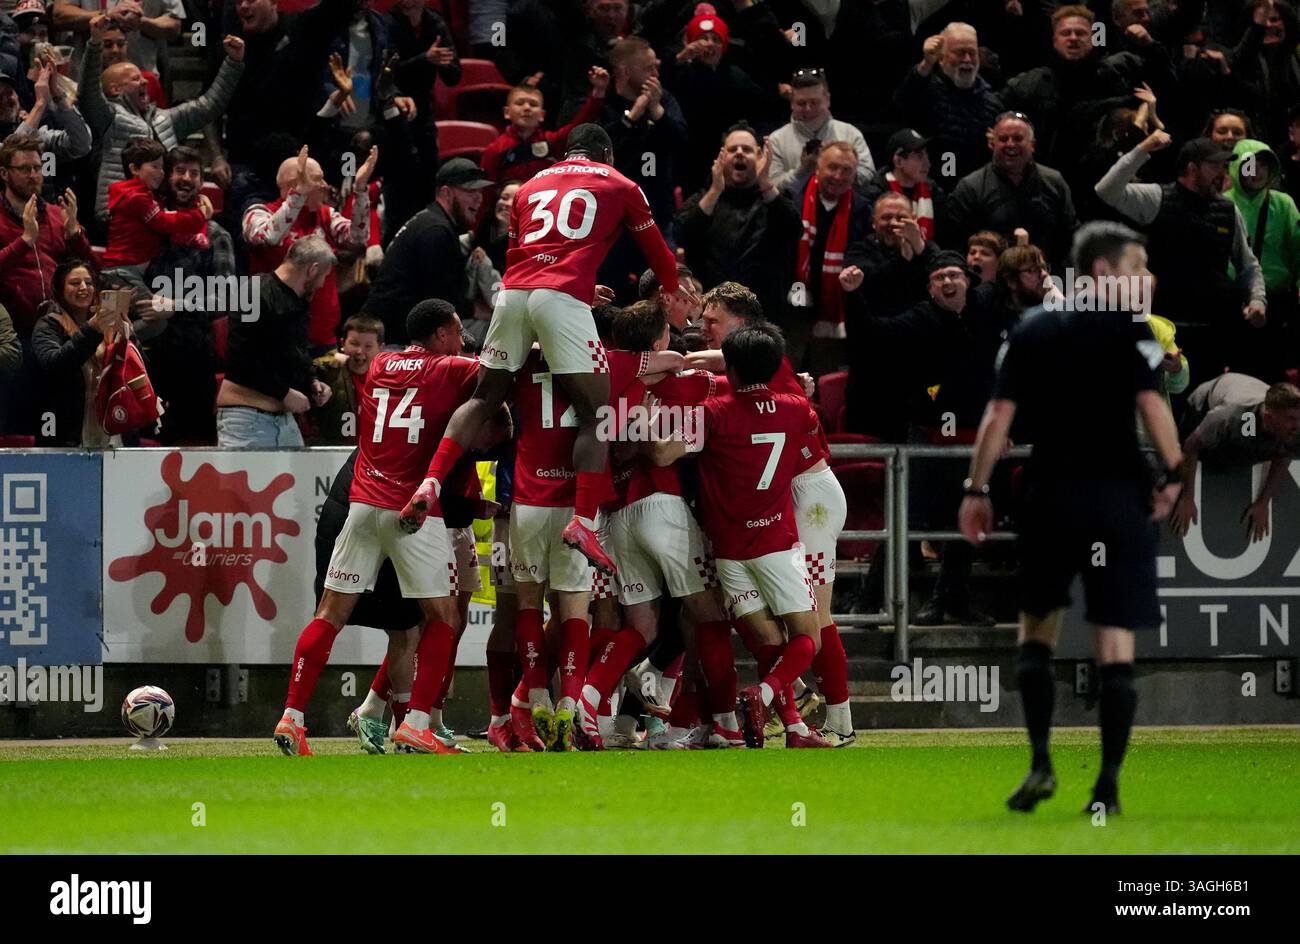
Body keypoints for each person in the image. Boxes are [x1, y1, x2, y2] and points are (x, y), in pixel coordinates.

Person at [959, 221, 1185, 815]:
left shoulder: (1033, 329)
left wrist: (976, 488)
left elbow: (997, 417)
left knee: (1036, 632)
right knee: (1115, 643)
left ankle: (1040, 765)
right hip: (1116, 501)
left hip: (1051, 499)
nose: (1145, 278)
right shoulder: (1133, 333)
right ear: (1105, 272)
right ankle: (1106, 791)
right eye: (1136, 266)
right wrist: (1178, 473)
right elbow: (1152, 406)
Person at [400, 124, 693, 579]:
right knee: (598, 414)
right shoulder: (619, 183)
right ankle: (582, 520)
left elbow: (521, 257)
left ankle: (431, 481)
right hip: (561, 300)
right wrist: (673, 294)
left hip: (514, 293)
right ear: (606, 154)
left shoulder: (529, 186)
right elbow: (660, 256)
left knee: (483, 398)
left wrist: (570, 287)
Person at [273, 298, 485, 757]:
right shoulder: (450, 369)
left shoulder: (383, 362)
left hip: (362, 503)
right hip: (412, 509)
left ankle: (292, 717)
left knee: (329, 613)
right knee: (443, 617)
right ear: (443, 334)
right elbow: (500, 371)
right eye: (456, 332)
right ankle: (417, 723)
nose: (461, 340)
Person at [651, 321, 826, 749]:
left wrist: (646, 422)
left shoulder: (713, 413)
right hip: (777, 545)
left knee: (767, 640)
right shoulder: (797, 408)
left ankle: (795, 728)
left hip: (728, 550)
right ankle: (762, 695)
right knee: (807, 638)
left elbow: (662, 452)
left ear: (731, 367)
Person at [1094, 132, 1268, 384]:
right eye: (1214, 165)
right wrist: (1143, 149)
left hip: (1212, 329)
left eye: (1224, 165)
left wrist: (1257, 300)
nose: (1222, 172)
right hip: (1164, 328)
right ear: (1191, 168)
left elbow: (1248, 265)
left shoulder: (1228, 209)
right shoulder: (1157, 198)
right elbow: (1106, 189)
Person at [80, 13, 244, 224]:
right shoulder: (107, 117)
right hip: (120, 218)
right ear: (115, 88)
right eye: (135, 79)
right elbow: (88, 92)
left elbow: (209, 106)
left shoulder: (164, 118)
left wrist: (233, 62)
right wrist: (94, 43)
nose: (145, 82)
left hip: (163, 214)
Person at [242, 143, 376, 353]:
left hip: (323, 338)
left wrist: (360, 190)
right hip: (276, 339)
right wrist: (298, 196)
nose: (325, 185)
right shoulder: (258, 213)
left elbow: (357, 237)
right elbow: (270, 236)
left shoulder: (325, 215)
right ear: (295, 185)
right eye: (317, 179)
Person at [144, 145, 236, 445]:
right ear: (166, 176)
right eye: (179, 171)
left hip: (193, 353)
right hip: (145, 351)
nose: (186, 178)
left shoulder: (216, 234)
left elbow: (225, 299)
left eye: (194, 173)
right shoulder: (148, 227)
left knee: (193, 442)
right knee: (143, 439)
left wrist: (176, 306)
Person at [215, 233, 336, 449]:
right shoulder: (254, 292)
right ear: (312, 269)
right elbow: (243, 359)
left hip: (283, 419)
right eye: (324, 277)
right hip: (246, 420)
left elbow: (296, 350)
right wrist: (284, 393)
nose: (321, 285)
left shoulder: (297, 302)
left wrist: (311, 382)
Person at [676, 122, 800, 332]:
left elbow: (794, 229)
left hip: (764, 316)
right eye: (733, 149)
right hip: (710, 314)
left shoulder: (774, 200)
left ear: (761, 156)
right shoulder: (704, 198)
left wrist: (765, 181)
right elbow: (682, 235)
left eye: (747, 149)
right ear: (721, 157)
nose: (740, 153)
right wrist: (715, 190)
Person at [365, 157, 492, 346]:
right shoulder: (436, 232)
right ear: (446, 193)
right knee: (493, 334)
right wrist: (476, 309)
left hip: (391, 331)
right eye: (470, 191)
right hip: (393, 340)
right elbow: (441, 301)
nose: (479, 197)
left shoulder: (433, 221)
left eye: (480, 191)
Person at [941, 112, 1078, 271]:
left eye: (1018, 138)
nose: (1010, 144)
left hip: (1048, 282)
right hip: (990, 285)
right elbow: (954, 245)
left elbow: (1071, 237)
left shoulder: (1054, 182)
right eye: (1003, 139)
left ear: (1032, 144)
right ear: (992, 144)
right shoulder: (970, 188)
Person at [1170, 374, 1300, 542]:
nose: (1296, 426)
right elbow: (1190, 445)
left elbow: (1284, 453)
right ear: (1269, 418)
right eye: (1291, 419)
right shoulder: (1238, 417)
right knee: (1219, 445)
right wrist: (1187, 496)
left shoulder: (1294, 431)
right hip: (1204, 404)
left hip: (1248, 409)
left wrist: (1264, 502)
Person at [780, 140, 872, 375]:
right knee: (788, 366)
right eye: (833, 167)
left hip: (835, 303)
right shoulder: (791, 198)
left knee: (826, 374)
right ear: (818, 168)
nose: (838, 176)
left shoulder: (862, 209)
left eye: (846, 170)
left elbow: (862, 254)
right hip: (793, 298)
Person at [1224, 137, 1300, 381]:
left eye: (1263, 165)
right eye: (1249, 164)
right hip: (1230, 302)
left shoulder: (1283, 204)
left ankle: (1266, 419)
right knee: (1234, 374)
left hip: (1276, 303)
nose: (1256, 171)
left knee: (1272, 374)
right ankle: (1241, 419)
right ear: (1237, 168)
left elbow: (1298, 249)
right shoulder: (1221, 204)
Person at [30, 258, 127, 447]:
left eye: (89, 283)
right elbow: (54, 364)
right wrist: (91, 329)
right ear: (60, 289)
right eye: (75, 283)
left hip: (110, 430)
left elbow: (136, 369)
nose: (83, 287)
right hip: (66, 431)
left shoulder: (107, 323)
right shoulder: (48, 323)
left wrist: (128, 337)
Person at [892, 23, 1003, 186]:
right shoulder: (925, 88)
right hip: (931, 187)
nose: (967, 60)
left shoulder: (993, 103)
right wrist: (926, 64)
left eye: (972, 53)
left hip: (976, 189)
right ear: (941, 58)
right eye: (960, 53)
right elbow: (903, 101)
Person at [101, 137, 211, 278]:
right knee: (148, 301)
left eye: (162, 168)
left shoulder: (146, 196)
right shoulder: (136, 197)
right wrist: (198, 215)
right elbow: (163, 222)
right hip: (123, 269)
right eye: (155, 167)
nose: (161, 173)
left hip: (135, 269)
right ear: (134, 169)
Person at [480, 68, 609, 186]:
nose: (527, 108)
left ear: (542, 115)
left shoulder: (551, 142)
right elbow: (487, 190)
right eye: (520, 103)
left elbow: (580, 125)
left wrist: (598, 91)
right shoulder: (495, 150)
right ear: (507, 112)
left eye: (533, 104)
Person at [766, 68, 874, 191]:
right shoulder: (776, 140)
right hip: (794, 209)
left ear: (827, 99)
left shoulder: (850, 133)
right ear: (791, 103)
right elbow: (771, 185)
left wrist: (836, 174)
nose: (808, 109)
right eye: (801, 103)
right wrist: (802, 171)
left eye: (814, 102)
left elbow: (868, 173)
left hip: (845, 206)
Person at [308, 314, 384, 445]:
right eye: (354, 344)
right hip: (334, 452)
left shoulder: (391, 380)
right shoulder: (329, 371)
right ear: (342, 343)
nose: (360, 351)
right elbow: (309, 371)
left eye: (368, 346)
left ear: (380, 348)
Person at [864, 128, 946, 239]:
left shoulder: (934, 193)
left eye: (926, 155)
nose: (927, 163)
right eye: (919, 156)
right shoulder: (874, 195)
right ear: (899, 162)